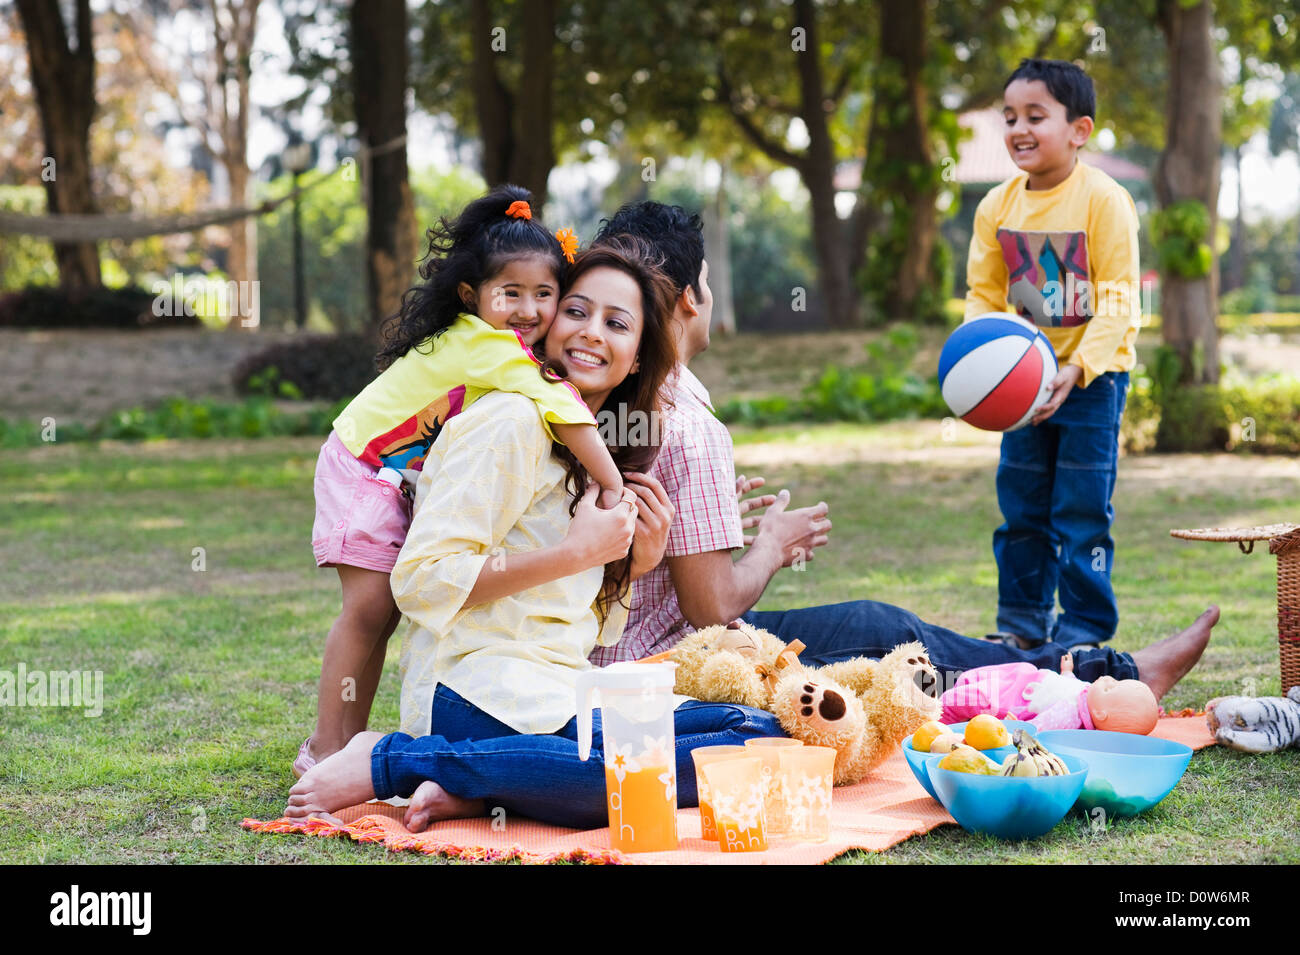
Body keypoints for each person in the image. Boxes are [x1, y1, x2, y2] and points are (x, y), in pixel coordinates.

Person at [586, 201, 1214, 703]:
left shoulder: (614, 395)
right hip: (670, 670)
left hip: (642, 651)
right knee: (889, 641)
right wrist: (771, 547)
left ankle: (1097, 674)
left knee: (874, 627)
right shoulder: (686, 421)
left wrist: (713, 527)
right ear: (693, 297)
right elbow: (711, 607)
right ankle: (1107, 681)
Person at [285, 239, 786, 829]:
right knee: (617, 776)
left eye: (616, 323)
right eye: (576, 311)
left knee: (756, 732)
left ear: (636, 357)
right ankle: (391, 760)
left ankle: (483, 783)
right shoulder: (509, 421)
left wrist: (635, 563)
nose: (591, 332)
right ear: (546, 327)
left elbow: (573, 621)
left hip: (563, 687)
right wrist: (574, 553)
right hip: (475, 692)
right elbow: (419, 582)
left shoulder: (596, 453)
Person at [298, 185, 627, 778]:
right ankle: (326, 746)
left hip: (386, 472)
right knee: (369, 607)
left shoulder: (495, 345)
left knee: (381, 611)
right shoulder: (491, 346)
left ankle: (346, 743)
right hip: (362, 467)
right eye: (511, 294)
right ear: (472, 296)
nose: (529, 311)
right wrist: (612, 486)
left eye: (545, 295)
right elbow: (567, 409)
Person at [965, 59, 1142, 650]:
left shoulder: (1105, 201)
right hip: (1023, 388)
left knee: (1082, 513)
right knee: (1022, 510)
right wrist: (980, 369)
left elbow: (1118, 300)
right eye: (1010, 116)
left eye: (1036, 116)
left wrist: (1073, 369)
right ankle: (1019, 626)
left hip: (1093, 382)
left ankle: (1084, 632)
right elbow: (983, 297)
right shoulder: (996, 206)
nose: (1019, 128)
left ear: (1079, 129)